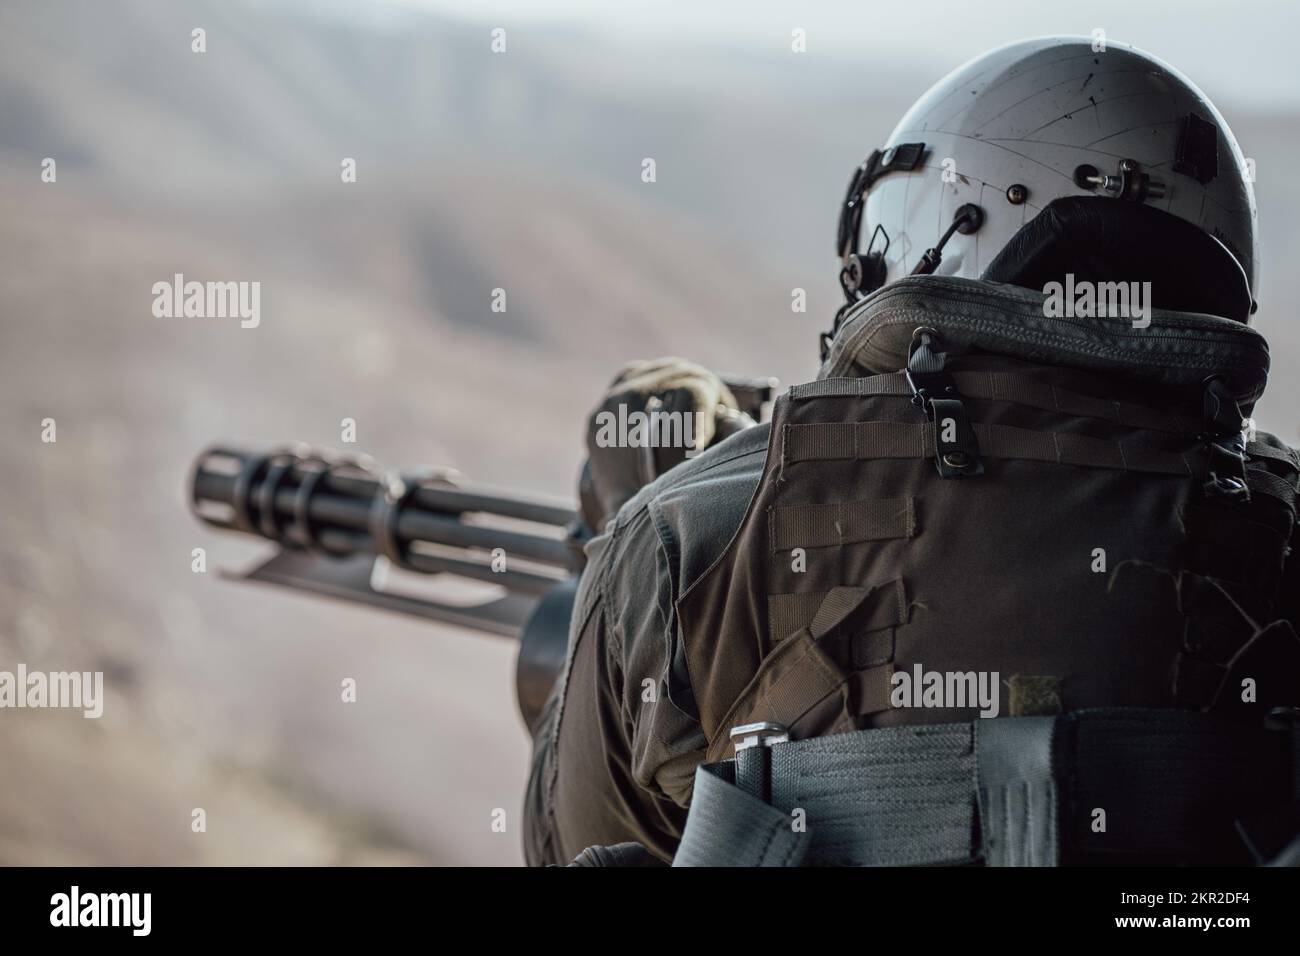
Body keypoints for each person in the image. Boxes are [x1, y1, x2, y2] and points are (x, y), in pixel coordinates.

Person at [523, 36, 1300, 867]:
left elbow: (571, 843)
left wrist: (635, 552)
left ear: (955, 214)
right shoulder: (1278, 528)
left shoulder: (695, 535)